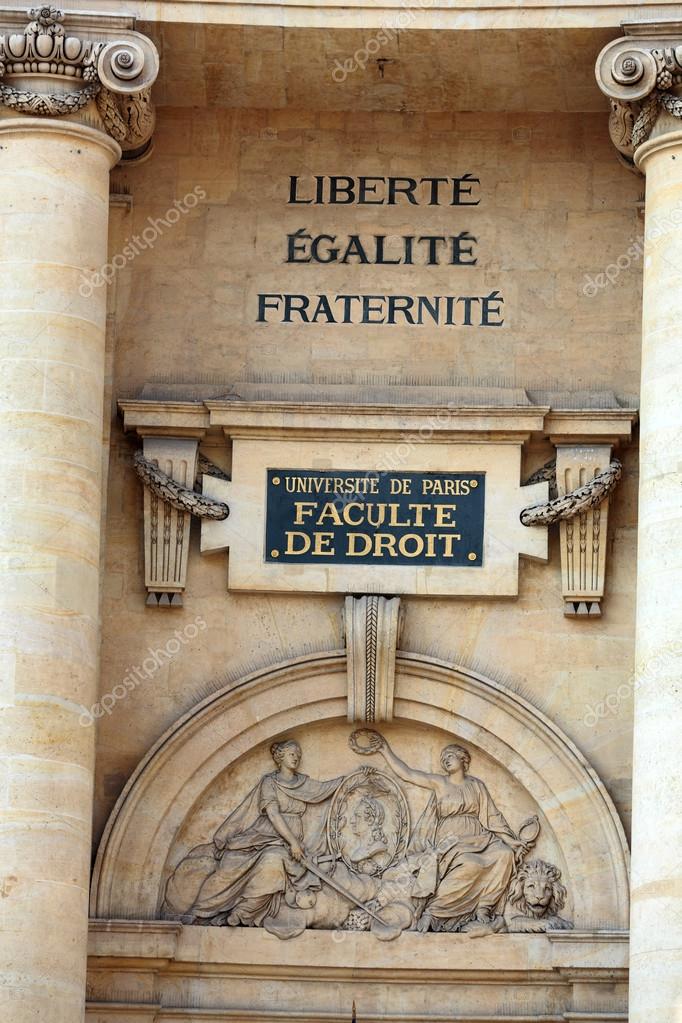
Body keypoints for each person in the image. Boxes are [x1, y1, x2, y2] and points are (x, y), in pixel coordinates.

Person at [353, 731, 527, 932]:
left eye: (449, 756)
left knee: (505, 855)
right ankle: (435, 911)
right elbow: (407, 774)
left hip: (479, 836)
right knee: (471, 864)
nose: (445, 761)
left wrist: (511, 841)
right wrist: (385, 750)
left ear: (463, 760)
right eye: (443, 758)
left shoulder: (477, 785)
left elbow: (492, 816)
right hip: (451, 840)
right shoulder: (439, 783)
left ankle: (484, 907)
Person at [164, 739, 341, 927]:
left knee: (272, 862)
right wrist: (293, 843)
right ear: (280, 757)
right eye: (291, 754)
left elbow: (324, 790)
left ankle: (243, 912)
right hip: (266, 835)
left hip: (288, 841)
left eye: (298, 754)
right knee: (233, 867)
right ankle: (200, 910)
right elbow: (273, 814)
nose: (296, 757)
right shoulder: (270, 782)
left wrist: (353, 777)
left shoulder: (303, 783)